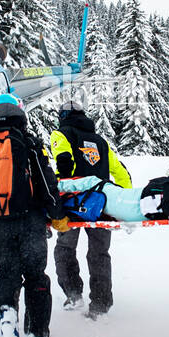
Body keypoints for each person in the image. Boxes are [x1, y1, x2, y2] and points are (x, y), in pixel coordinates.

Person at [0, 93, 65, 337]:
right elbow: (47, 183)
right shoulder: (28, 141)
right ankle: (36, 333)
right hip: (30, 222)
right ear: (19, 114)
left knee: (7, 273)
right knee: (35, 276)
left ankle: (5, 313)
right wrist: (56, 214)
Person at [49, 100, 132, 318]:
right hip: (101, 205)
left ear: (63, 116)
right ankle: (100, 305)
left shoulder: (61, 134)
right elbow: (121, 172)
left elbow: (64, 164)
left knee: (65, 249)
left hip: (73, 206)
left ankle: (73, 294)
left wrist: (57, 192)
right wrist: (122, 201)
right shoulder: (101, 142)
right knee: (99, 253)